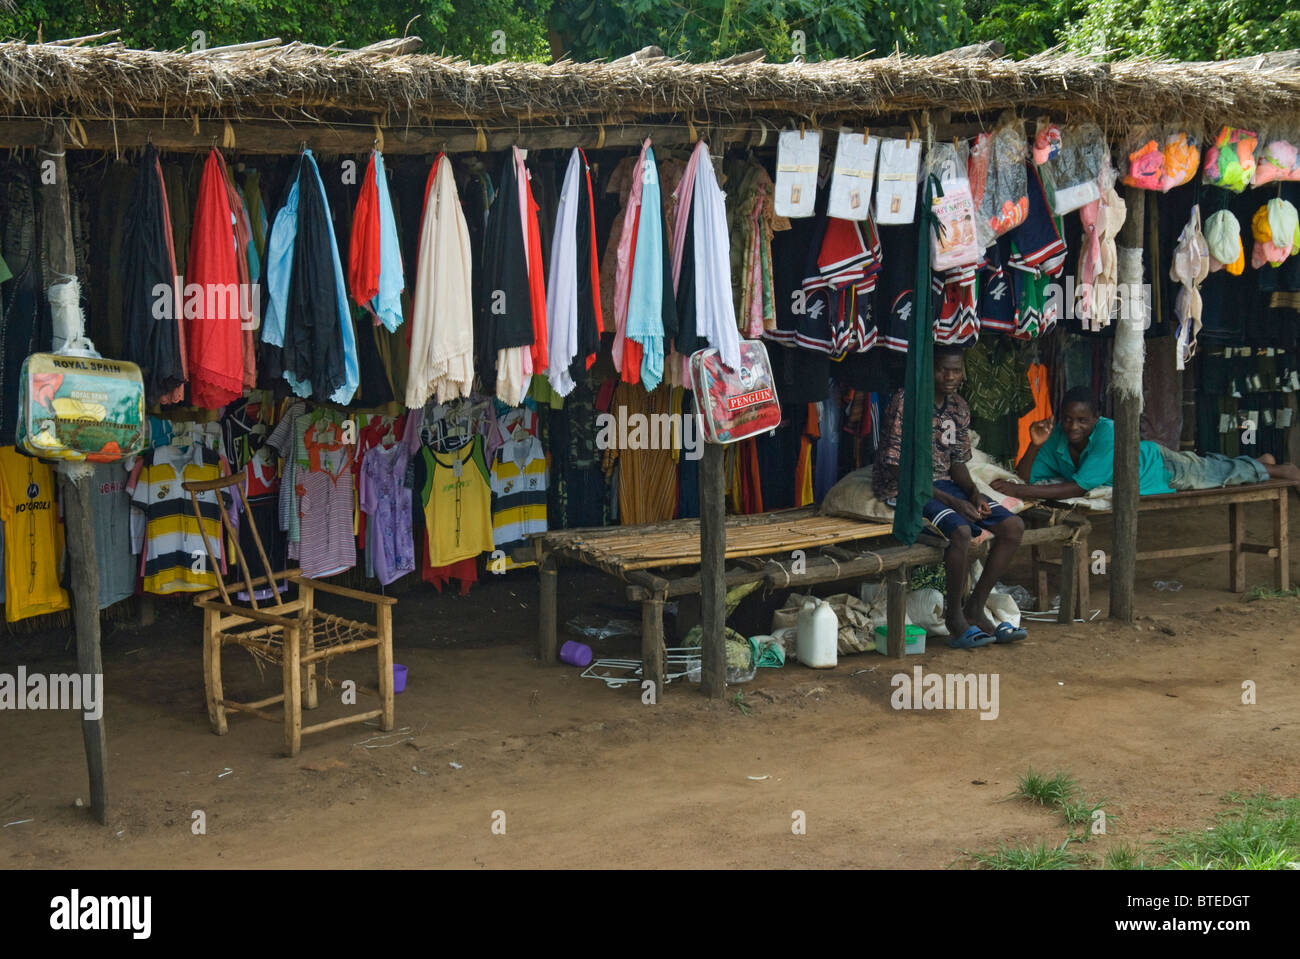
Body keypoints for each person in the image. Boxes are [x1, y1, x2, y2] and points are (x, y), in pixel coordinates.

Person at [875, 345, 1028, 648]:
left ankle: (976, 606)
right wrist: (955, 503)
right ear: (928, 370)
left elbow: (957, 463)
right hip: (906, 487)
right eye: (942, 369)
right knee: (959, 531)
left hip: (946, 484)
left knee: (1013, 528)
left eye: (956, 370)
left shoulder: (958, 407)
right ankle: (954, 617)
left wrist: (973, 494)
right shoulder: (906, 402)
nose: (950, 376)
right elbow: (896, 469)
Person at [991, 387, 1300, 503]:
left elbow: (1076, 488)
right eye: (1068, 419)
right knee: (1219, 469)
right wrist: (1033, 445)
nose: (1073, 426)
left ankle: (1278, 469)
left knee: (1219, 474)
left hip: (1160, 468)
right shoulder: (1056, 435)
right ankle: (1262, 462)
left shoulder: (1107, 434)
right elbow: (1025, 475)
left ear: (1096, 418)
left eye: (1082, 420)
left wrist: (1021, 492)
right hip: (1151, 473)